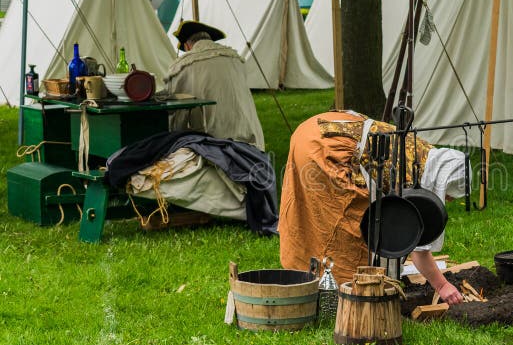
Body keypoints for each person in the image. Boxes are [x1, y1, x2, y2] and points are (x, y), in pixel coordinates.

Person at [279, 110, 468, 305]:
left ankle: (309, 277)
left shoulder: (423, 153)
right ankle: (345, 292)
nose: (449, 200)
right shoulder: (417, 180)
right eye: (448, 195)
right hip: (324, 148)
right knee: (350, 226)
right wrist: (443, 285)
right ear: (443, 182)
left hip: (313, 128)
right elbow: (418, 251)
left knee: (319, 215)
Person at [164, 20, 265, 150]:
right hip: (251, 138)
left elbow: (173, 107)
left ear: (188, 46)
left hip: (211, 143)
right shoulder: (235, 59)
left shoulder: (183, 65)